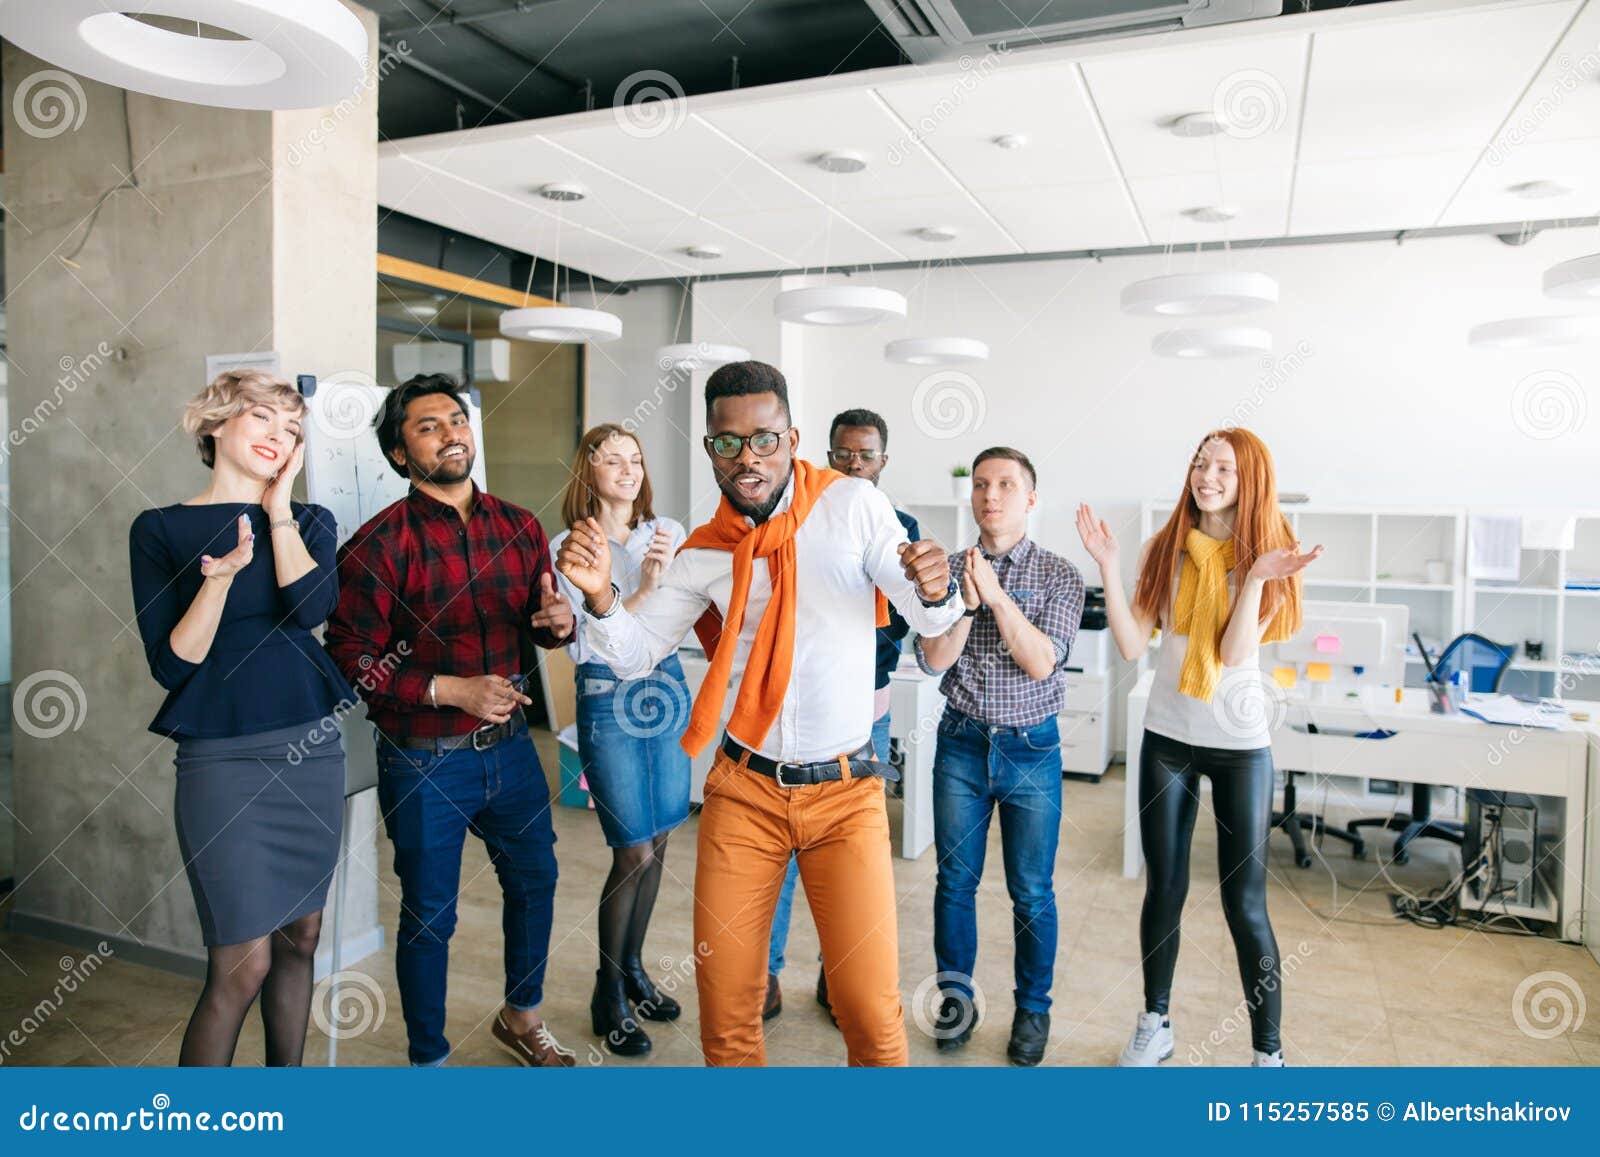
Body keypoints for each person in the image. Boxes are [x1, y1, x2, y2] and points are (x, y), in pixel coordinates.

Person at [556, 360, 962, 1066]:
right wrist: (599, 599)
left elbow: (926, 607)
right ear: (709, 446)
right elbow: (634, 650)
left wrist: (935, 587)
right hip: (744, 793)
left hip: (846, 792)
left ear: (793, 436)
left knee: (870, 1011)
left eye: (766, 439)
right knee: (728, 1010)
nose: (749, 458)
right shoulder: (704, 552)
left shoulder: (853, 504)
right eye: (728, 442)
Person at [325, 373, 577, 1068]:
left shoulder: (520, 526)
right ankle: (427, 1060)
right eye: (427, 426)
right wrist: (449, 689)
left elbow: (541, 622)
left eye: (456, 420)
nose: (450, 433)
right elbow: (352, 659)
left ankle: (521, 1017)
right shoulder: (377, 545)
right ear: (401, 455)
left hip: (513, 755)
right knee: (430, 914)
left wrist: (559, 625)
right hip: (423, 760)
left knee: (537, 881)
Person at [1075, 428, 1320, 1069]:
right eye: (1201, 463)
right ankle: (1154, 1024)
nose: (1206, 476)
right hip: (1168, 739)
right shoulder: (1168, 548)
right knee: (1165, 888)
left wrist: (1259, 580)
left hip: (1239, 745)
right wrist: (1106, 561)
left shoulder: (1269, 556)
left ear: (1250, 483)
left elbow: (1236, 654)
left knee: (1245, 904)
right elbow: (1133, 645)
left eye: (1224, 469)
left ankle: (1269, 1054)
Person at [129, 369, 353, 1066]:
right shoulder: (160, 529)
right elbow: (172, 665)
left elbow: (313, 609)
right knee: (240, 966)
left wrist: (278, 506)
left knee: (302, 937)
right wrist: (218, 581)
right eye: (263, 419)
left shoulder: (310, 521)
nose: (279, 437)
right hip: (221, 764)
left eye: (292, 430)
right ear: (216, 424)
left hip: (310, 750)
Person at [916, 447, 1085, 1066]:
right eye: (982, 485)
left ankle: (1032, 1011)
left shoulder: (1061, 574)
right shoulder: (943, 570)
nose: (992, 495)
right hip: (960, 743)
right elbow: (934, 659)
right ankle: (955, 1003)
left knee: (1032, 890)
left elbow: (1041, 660)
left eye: (1007, 485)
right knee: (955, 884)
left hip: (1031, 748)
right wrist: (963, 600)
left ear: (1030, 499)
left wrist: (995, 595)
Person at [764, 408, 918, 1024]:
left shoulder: (900, 528)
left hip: (867, 719)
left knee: (850, 860)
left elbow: (905, 619)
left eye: (865, 455)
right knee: (780, 858)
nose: (853, 465)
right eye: (842, 454)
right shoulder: (798, 518)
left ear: (884, 461)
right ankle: (766, 974)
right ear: (825, 456)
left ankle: (840, 979)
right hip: (794, 718)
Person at [551, 424, 691, 1056]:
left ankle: (634, 969)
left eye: (635, 458)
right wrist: (642, 590)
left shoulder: (668, 533)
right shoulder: (568, 545)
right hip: (605, 692)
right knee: (630, 847)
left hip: (664, 685)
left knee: (660, 838)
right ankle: (607, 988)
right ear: (589, 470)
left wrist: (663, 582)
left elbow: (679, 620)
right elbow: (583, 641)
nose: (628, 470)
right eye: (613, 460)